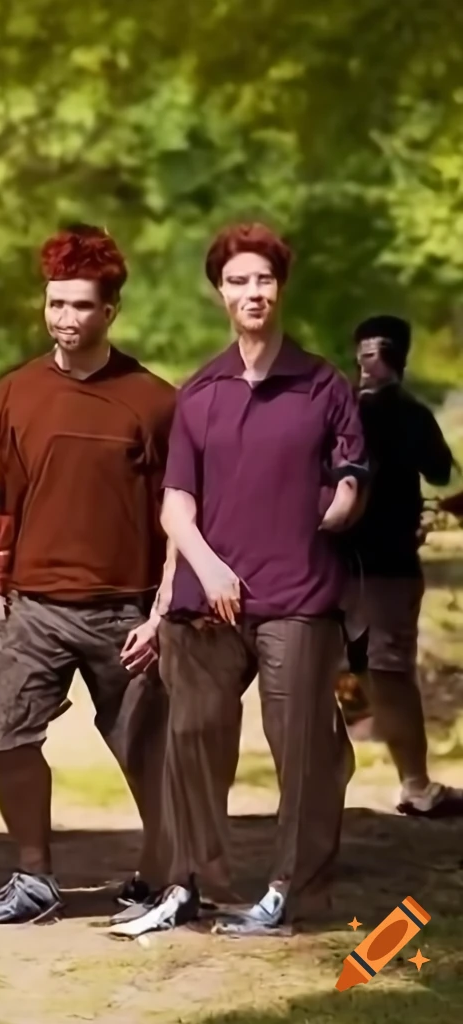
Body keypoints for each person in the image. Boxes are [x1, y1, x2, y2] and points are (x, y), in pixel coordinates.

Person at [112, 223, 367, 939]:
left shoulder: (324, 386)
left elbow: (352, 478)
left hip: (298, 596)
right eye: (238, 281)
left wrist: (343, 504)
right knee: (189, 738)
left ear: (279, 288)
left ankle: (295, 890)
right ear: (220, 293)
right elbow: (176, 504)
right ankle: (191, 883)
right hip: (207, 601)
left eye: (263, 279)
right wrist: (206, 564)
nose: (251, 292)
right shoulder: (200, 392)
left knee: (306, 747)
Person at [0, 223, 176, 925]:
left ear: (109, 312)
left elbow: (173, 515)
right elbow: (6, 501)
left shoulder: (152, 401)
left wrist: (163, 612)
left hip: (127, 610)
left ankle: (163, 873)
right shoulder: (14, 392)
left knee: (146, 749)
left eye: (81, 306)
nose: (65, 318)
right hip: (31, 604)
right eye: (55, 303)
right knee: (7, 738)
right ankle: (34, 877)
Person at [342, 315, 463, 817]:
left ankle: (412, 783)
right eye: (366, 350)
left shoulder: (360, 411)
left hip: (362, 561)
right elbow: (442, 475)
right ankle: (411, 783)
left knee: (371, 667)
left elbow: (444, 478)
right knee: (370, 669)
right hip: (363, 562)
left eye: (377, 351)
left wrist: (433, 512)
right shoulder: (388, 411)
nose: (370, 360)